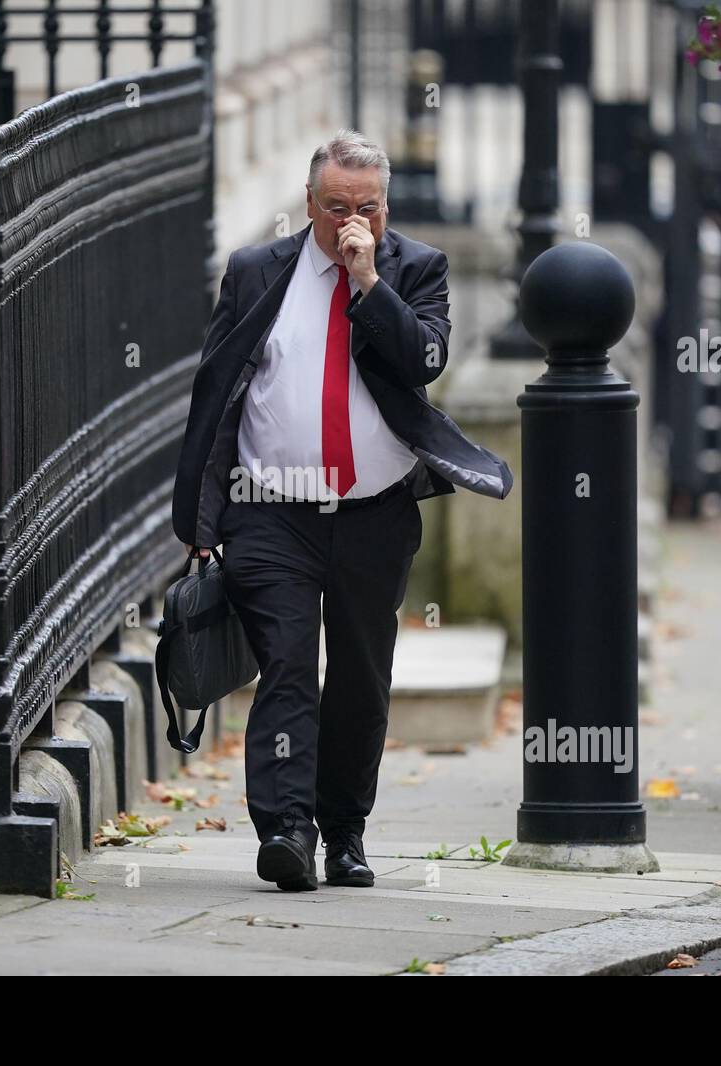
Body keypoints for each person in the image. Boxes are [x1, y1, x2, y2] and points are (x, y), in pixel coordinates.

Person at [171, 130, 513, 891]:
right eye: (336, 207)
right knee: (288, 668)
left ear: (385, 206)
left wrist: (368, 285)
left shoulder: (416, 269)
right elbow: (216, 396)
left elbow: (425, 359)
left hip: (373, 512)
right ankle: (287, 830)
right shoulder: (257, 272)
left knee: (361, 676)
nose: (351, 222)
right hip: (272, 512)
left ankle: (345, 832)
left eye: (367, 207)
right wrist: (200, 524)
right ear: (308, 204)